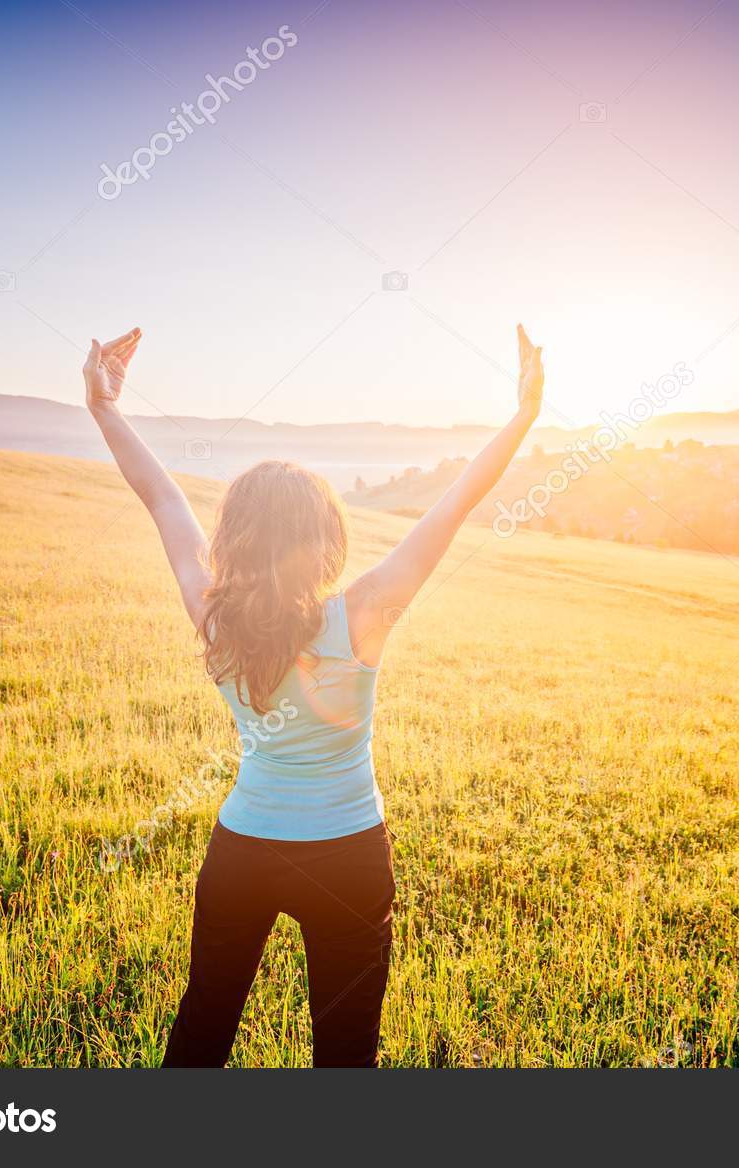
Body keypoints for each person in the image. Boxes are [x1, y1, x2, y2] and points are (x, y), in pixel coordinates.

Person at [82, 323, 545, 1066]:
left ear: (234, 539)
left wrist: (104, 408)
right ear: (326, 539)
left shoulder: (215, 613)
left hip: (245, 850)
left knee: (202, 1028)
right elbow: (453, 506)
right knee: (345, 1050)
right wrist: (523, 414)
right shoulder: (363, 614)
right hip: (349, 855)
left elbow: (164, 502)